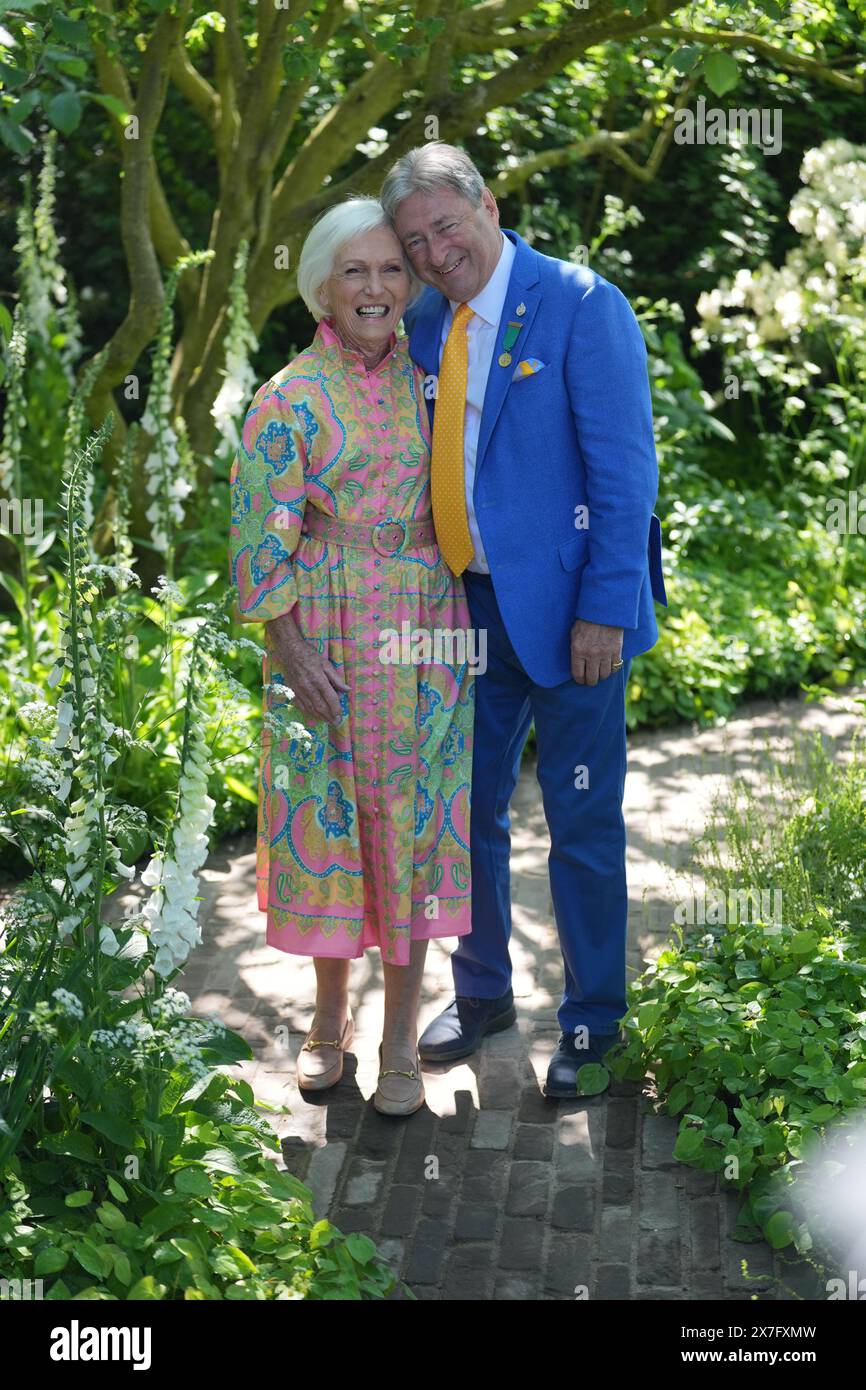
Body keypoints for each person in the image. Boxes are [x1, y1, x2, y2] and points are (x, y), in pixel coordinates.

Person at [380, 144, 667, 1096]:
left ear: (488, 206)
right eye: (414, 239)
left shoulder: (584, 305)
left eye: (444, 227)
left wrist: (605, 612)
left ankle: (592, 1023)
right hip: (466, 608)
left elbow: (626, 480)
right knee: (466, 814)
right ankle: (484, 990)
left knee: (581, 819)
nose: (432, 251)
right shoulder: (427, 325)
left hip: (572, 615)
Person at [228, 197, 474, 1115]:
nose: (376, 288)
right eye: (356, 273)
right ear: (322, 288)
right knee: (335, 829)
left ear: (412, 286)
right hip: (326, 632)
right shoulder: (286, 398)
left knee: (414, 829)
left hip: (428, 633)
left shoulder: (434, 384)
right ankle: (327, 1027)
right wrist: (289, 650)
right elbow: (259, 541)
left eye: (391, 271)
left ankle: (401, 1042)